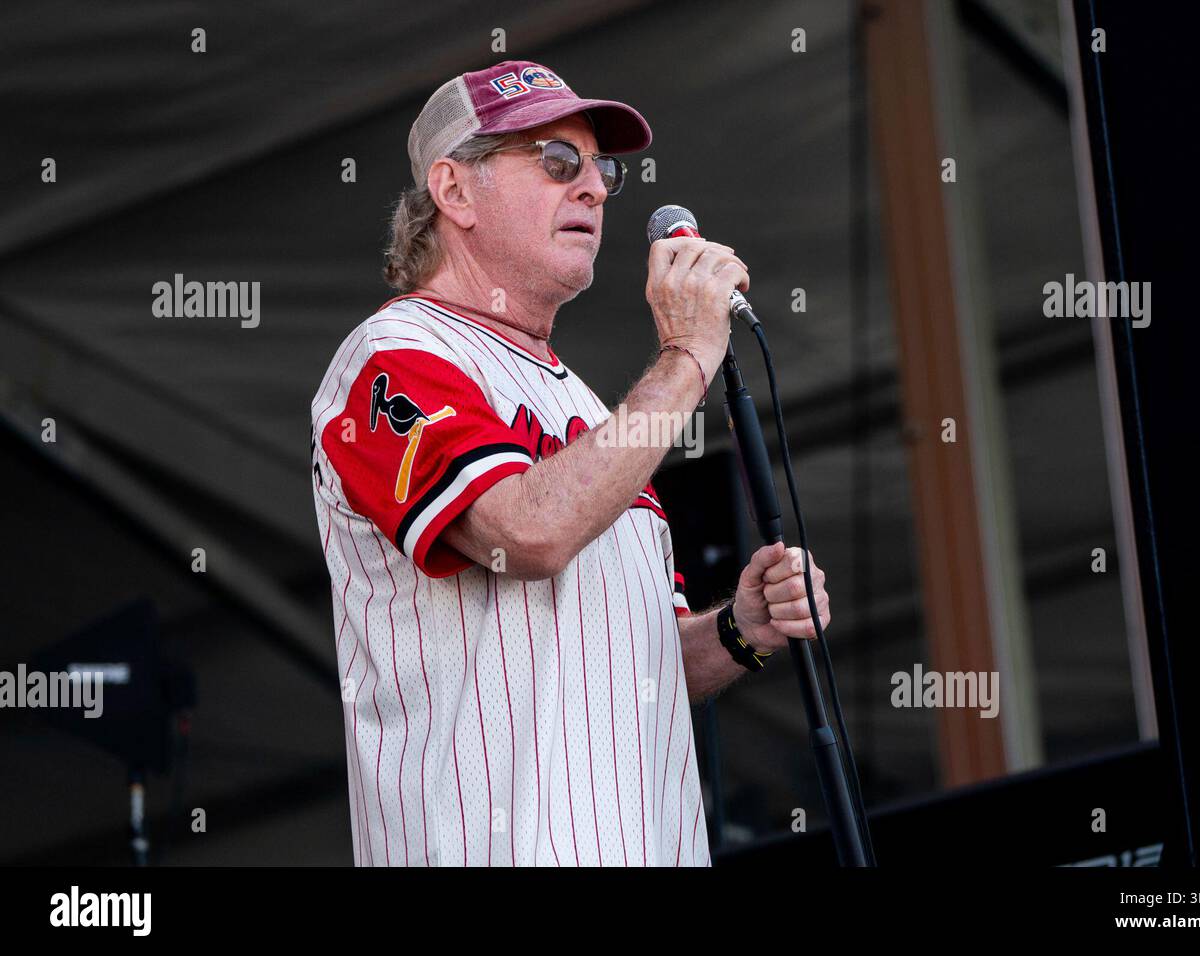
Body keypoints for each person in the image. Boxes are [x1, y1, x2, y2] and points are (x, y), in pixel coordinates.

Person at [309, 60, 830, 866]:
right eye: (557, 161)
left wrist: (738, 629)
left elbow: (640, 664)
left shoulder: (591, 411)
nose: (592, 187)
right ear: (454, 191)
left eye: (602, 169)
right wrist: (689, 355)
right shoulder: (394, 356)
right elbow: (528, 533)